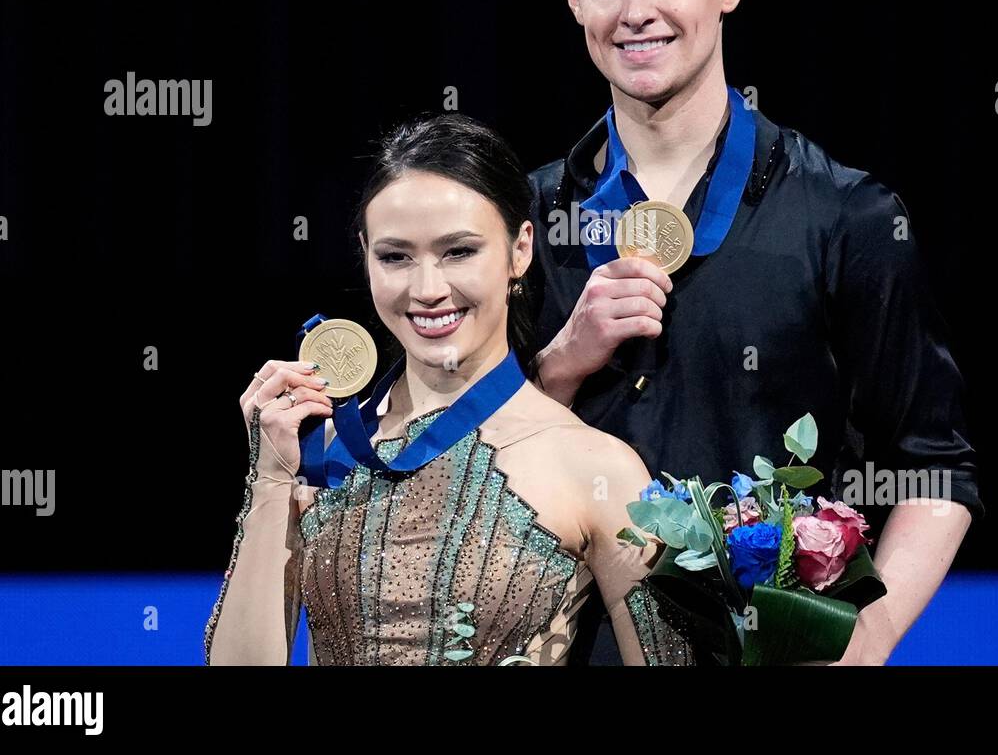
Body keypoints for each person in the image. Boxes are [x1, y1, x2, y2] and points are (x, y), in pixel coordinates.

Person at [527, 0, 983, 665]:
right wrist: (559, 365)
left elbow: (935, 471)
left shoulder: (848, 216)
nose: (636, 10)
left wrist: (862, 642)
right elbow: (460, 470)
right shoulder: (521, 221)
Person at [203, 114, 694, 665]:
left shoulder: (598, 468)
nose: (428, 289)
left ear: (520, 250)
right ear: (365, 256)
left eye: (459, 251)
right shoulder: (318, 450)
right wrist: (269, 479)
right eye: (394, 257)